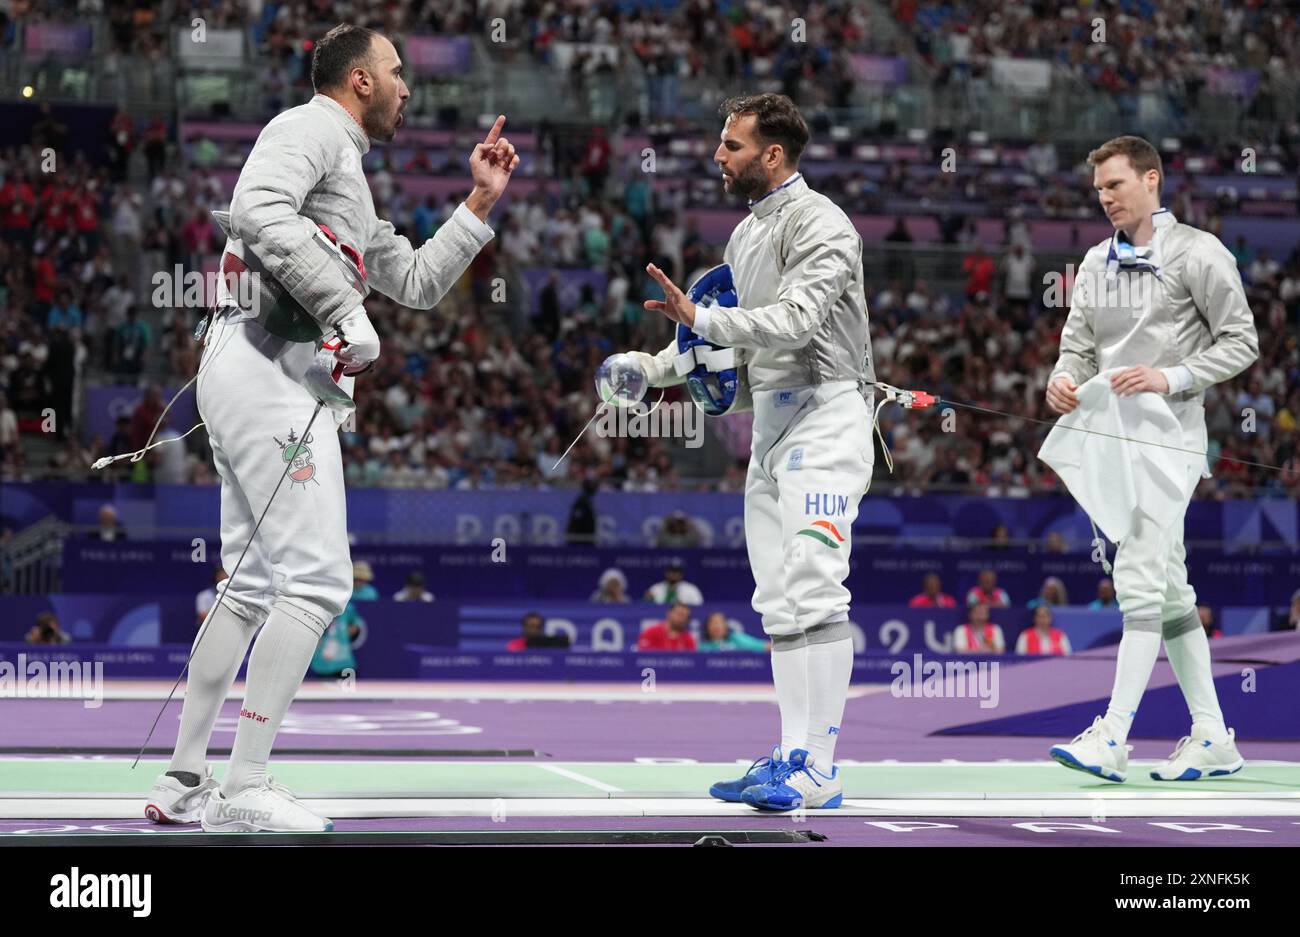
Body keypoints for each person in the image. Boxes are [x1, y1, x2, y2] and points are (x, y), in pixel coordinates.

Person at [145, 24, 517, 834]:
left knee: (247, 589)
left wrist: (479, 202)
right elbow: (255, 210)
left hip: (255, 366)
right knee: (315, 584)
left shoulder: (347, 172)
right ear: (357, 80)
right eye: (394, 72)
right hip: (266, 361)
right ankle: (245, 785)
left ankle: (184, 780)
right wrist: (346, 312)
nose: (406, 88)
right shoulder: (310, 127)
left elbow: (415, 281)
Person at [625, 93, 875, 811]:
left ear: (772, 153)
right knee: (780, 601)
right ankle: (792, 753)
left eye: (731, 145)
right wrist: (651, 369)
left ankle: (820, 766)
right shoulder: (745, 236)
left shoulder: (822, 223)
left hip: (829, 415)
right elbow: (727, 343)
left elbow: (795, 321)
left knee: (817, 584)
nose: (718, 155)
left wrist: (698, 316)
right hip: (771, 424)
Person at [1046, 135, 1257, 784]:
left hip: (1170, 442)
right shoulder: (1094, 262)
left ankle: (1113, 734)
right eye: (1099, 189)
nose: (1106, 197)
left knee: (1137, 575)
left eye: (1116, 185)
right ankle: (1215, 735)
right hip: (1112, 440)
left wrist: (1175, 376)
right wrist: (1061, 378)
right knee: (1170, 592)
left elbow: (1241, 340)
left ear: (1152, 179)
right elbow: (1078, 346)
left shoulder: (1199, 253)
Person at [698, 611, 770, 652]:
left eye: (720, 622)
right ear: (707, 628)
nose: (717, 626)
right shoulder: (702, 647)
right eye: (712, 623)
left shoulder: (736, 638)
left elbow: (765, 646)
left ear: (726, 626)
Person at [505, 612, 570, 651]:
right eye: (531, 626)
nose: (534, 630)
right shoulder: (515, 644)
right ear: (524, 627)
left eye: (538, 626)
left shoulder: (549, 645)